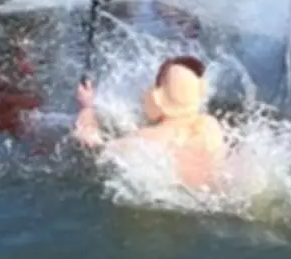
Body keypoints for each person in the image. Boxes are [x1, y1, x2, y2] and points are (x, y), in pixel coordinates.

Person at [72, 56, 225, 190]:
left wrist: (87, 108)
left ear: (157, 97)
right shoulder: (210, 126)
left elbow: (95, 147)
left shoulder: (148, 138)